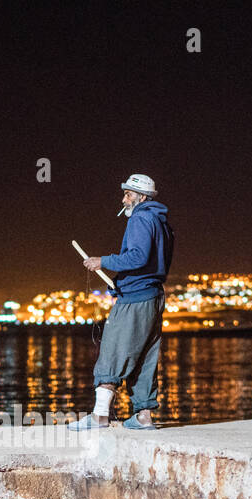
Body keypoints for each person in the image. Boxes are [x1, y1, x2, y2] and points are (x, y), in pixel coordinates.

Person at [69, 173, 175, 430]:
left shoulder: (140, 218)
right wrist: (119, 281)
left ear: (141, 197)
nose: (124, 199)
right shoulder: (163, 224)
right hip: (153, 297)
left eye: (128, 194)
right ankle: (143, 416)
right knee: (145, 358)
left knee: (112, 353)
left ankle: (100, 417)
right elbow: (150, 263)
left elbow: (138, 257)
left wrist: (101, 262)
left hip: (135, 300)